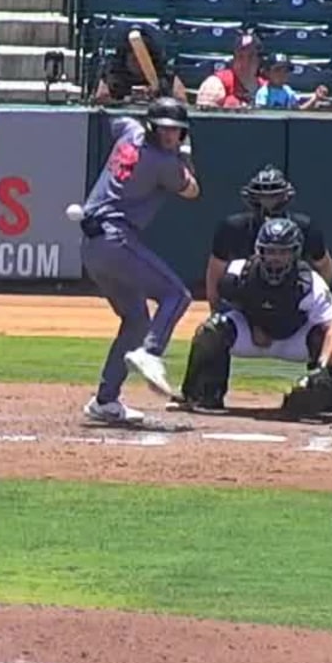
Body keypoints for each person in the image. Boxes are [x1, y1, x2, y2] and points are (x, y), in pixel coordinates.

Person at [78, 97, 201, 425]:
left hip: (92, 247)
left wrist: (148, 104)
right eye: (165, 130)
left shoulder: (129, 129)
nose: (171, 136)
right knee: (177, 295)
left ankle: (105, 400)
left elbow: (115, 119)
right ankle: (151, 352)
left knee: (136, 320)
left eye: (176, 131)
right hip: (115, 240)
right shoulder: (163, 162)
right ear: (153, 127)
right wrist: (184, 151)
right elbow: (192, 189)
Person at [169, 218, 332, 419]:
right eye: (271, 251)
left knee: (326, 339)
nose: (276, 258)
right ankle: (200, 395)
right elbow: (225, 309)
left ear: (295, 252)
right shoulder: (238, 274)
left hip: (294, 339)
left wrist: (321, 367)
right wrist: (255, 324)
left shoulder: (311, 284)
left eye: (283, 252)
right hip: (252, 338)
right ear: (259, 250)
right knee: (212, 330)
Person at [206, 164, 332, 312]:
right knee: (214, 331)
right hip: (246, 298)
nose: (267, 202)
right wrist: (215, 308)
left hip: (290, 297)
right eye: (262, 196)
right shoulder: (233, 227)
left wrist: (317, 299)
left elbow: (324, 265)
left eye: (273, 196)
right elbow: (215, 271)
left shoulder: (305, 227)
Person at [92, 26, 189, 105]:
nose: (138, 63)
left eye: (142, 58)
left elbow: (182, 104)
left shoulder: (167, 79)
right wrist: (126, 100)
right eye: (134, 59)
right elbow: (99, 103)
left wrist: (159, 98)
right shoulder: (112, 77)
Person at [195, 32, 265, 110]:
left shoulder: (265, 87)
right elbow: (205, 119)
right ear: (233, 60)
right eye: (240, 57)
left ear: (259, 60)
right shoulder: (216, 84)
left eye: (251, 56)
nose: (245, 63)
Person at [254, 53, 329, 110]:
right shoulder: (264, 92)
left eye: (285, 71)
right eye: (277, 70)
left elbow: (297, 112)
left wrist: (314, 98)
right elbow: (260, 114)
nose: (282, 74)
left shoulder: (288, 91)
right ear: (267, 72)